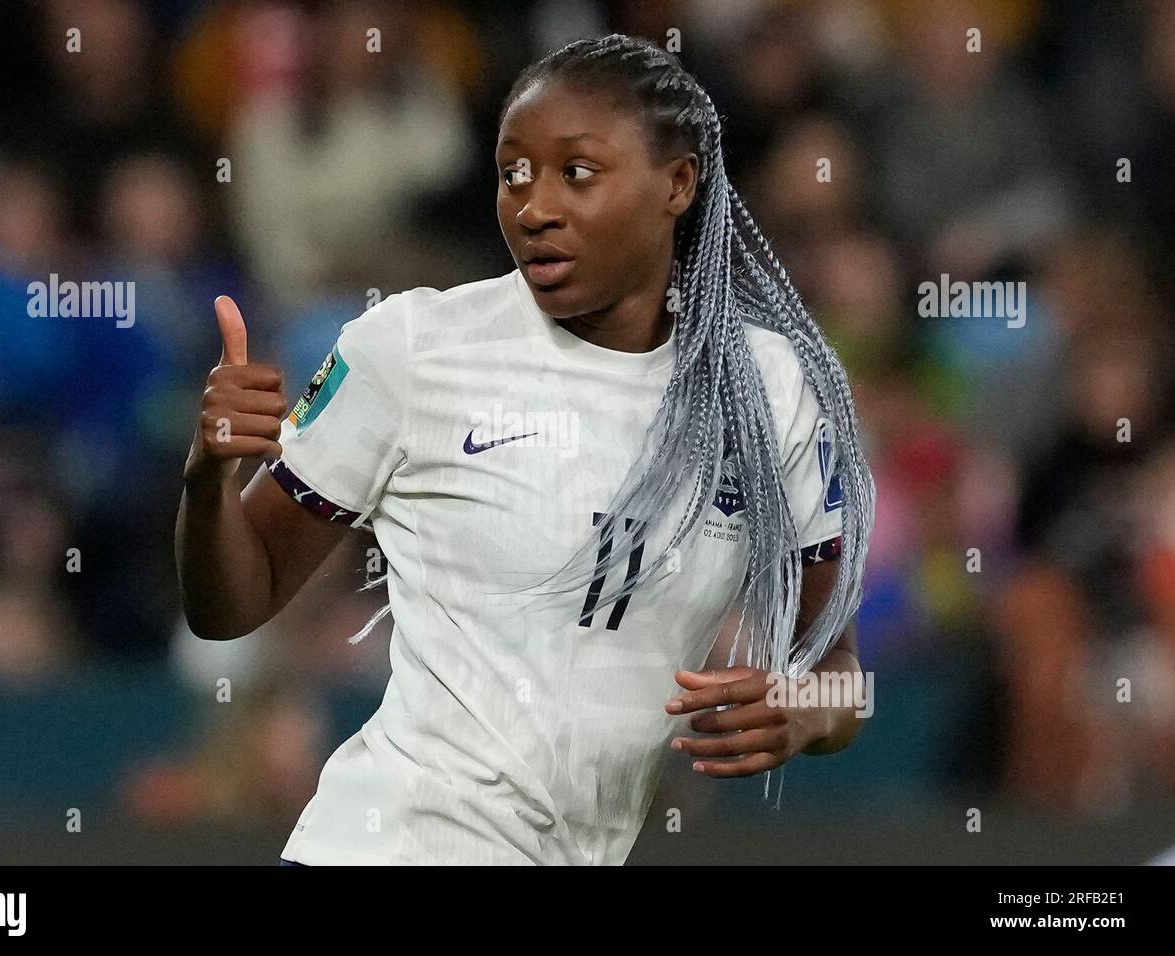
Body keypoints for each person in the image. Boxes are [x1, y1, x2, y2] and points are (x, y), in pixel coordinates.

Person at [176, 34, 875, 865]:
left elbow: (839, 669)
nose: (534, 206)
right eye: (514, 174)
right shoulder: (414, 348)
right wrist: (210, 475)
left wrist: (807, 710)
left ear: (678, 184)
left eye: (575, 173)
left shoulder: (765, 389)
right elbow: (229, 606)